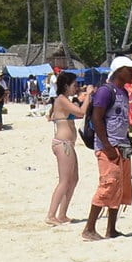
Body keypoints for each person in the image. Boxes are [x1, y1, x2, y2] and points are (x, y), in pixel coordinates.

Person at [82, 58, 132, 241]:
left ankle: (111, 229)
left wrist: (127, 140)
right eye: (129, 69)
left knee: (120, 186)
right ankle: (89, 228)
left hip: (121, 145)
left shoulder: (123, 92)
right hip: (108, 147)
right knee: (108, 184)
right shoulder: (106, 92)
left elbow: (120, 120)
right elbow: (97, 119)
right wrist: (107, 146)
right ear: (120, 70)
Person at [46, 71, 85, 225]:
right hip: (63, 144)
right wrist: (87, 96)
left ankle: (62, 214)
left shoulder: (65, 101)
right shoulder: (61, 100)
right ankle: (51, 215)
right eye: (74, 85)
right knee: (64, 181)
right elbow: (81, 112)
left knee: (74, 179)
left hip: (68, 144)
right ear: (66, 85)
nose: (77, 87)